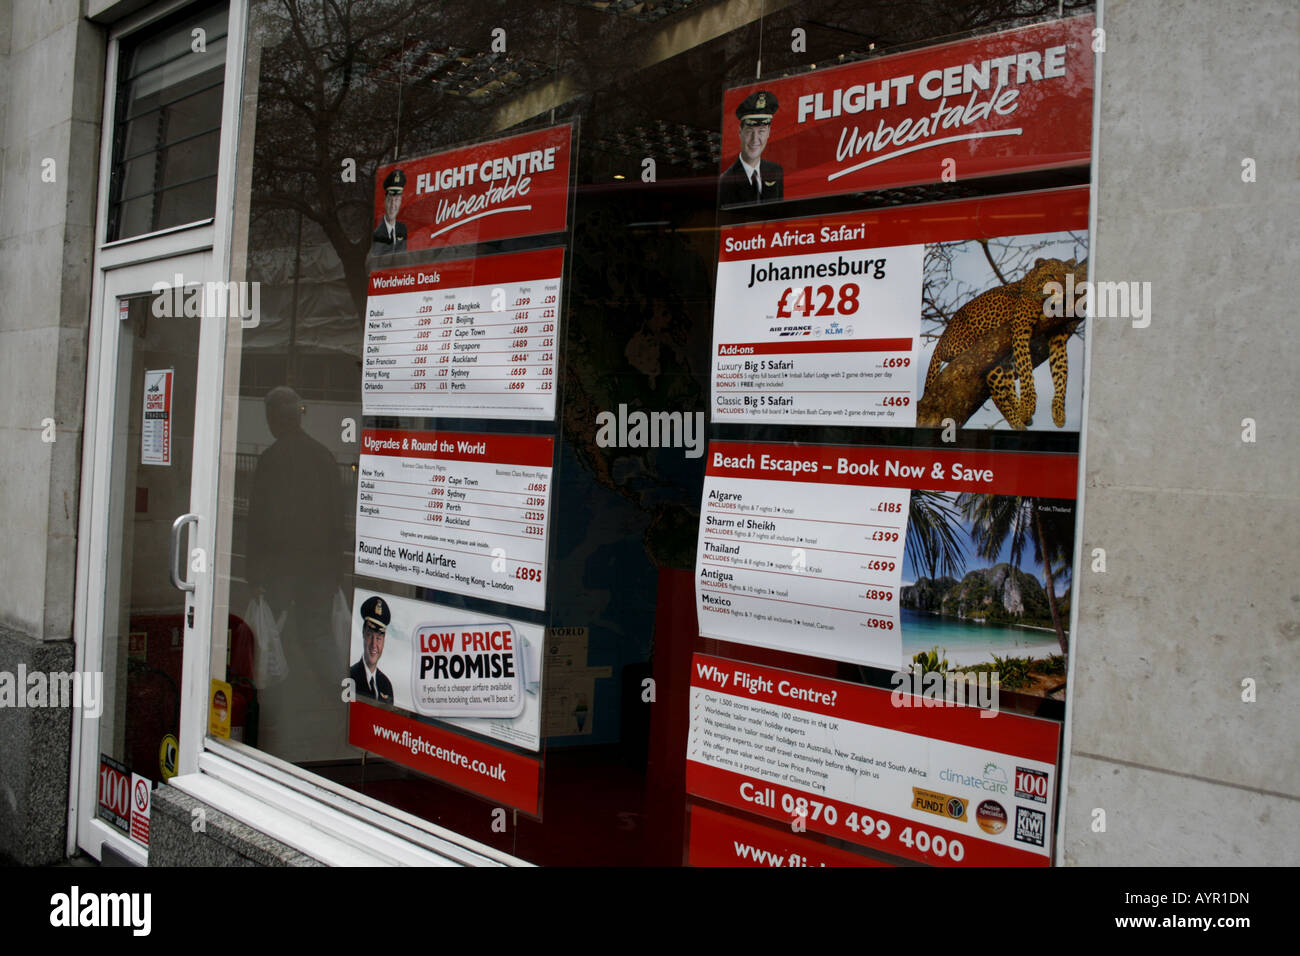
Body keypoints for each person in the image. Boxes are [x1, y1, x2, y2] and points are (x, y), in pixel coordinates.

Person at [718, 90, 784, 207]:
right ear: (740, 132)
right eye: (750, 131)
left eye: (761, 131)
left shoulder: (775, 171)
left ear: (769, 132)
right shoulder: (726, 181)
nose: (755, 139)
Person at [349, 596, 394, 703]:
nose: (374, 644)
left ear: (384, 640)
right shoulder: (349, 677)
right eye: (370, 635)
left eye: (378, 638)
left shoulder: (386, 685)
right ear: (363, 633)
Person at [371, 168, 408, 255]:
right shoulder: (375, 230)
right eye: (390, 199)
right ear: (384, 200)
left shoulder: (402, 229)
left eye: (397, 200)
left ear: (401, 202)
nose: (392, 205)